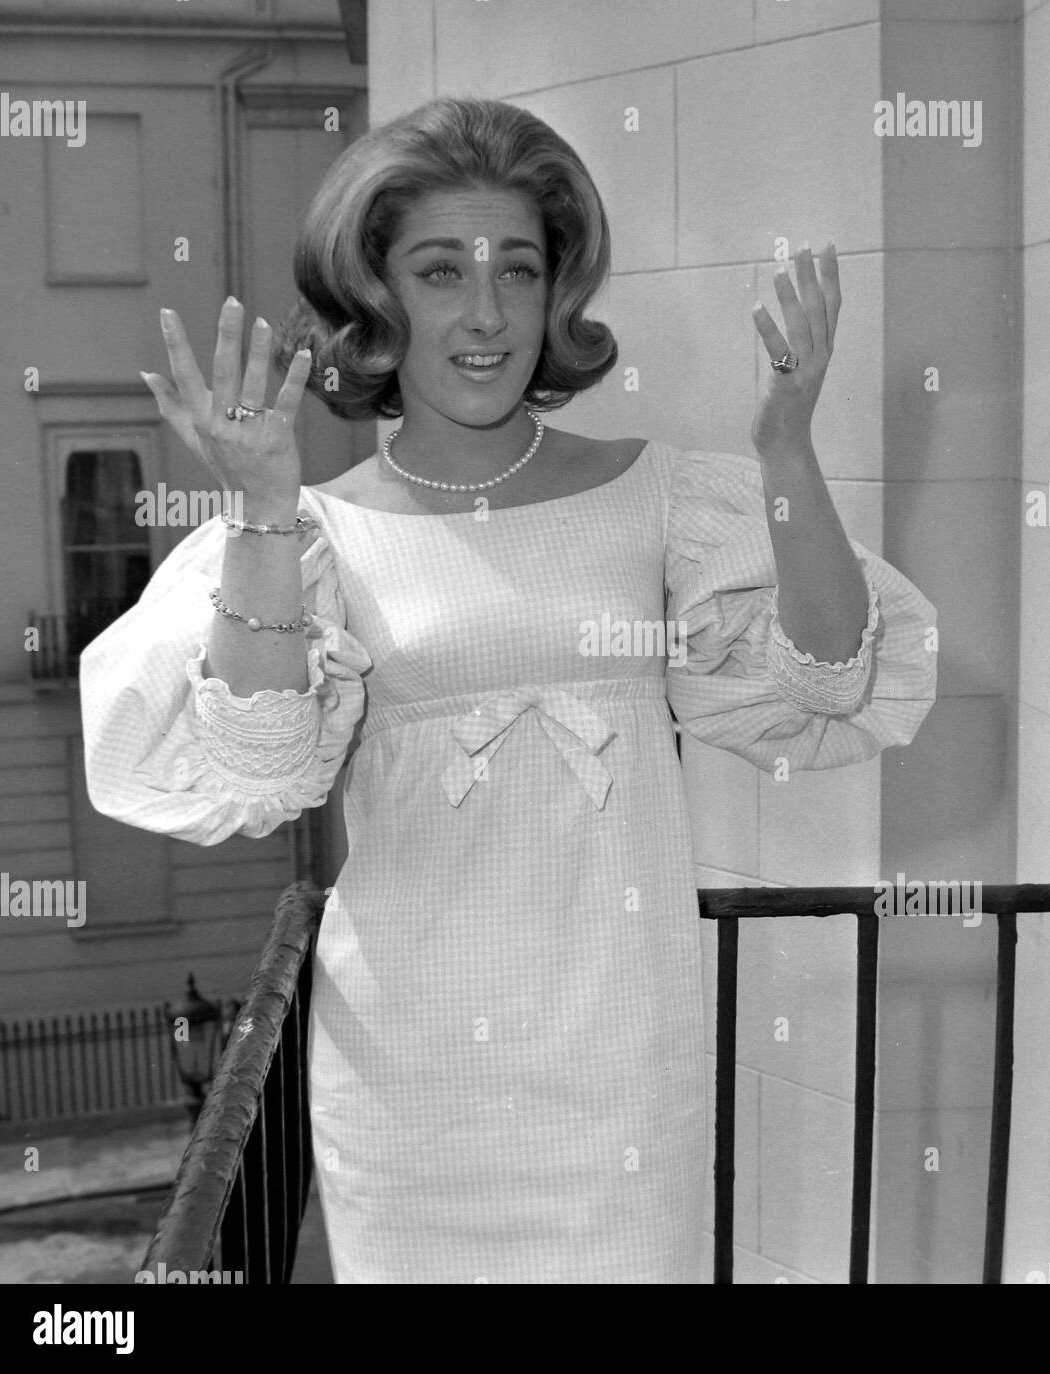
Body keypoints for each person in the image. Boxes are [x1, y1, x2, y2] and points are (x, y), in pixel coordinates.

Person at [80, 96, 937, 1283]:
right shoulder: (318, 532)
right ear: (378, 300)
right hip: (410, 1087)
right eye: (440, 272)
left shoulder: (657, 496)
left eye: (518, 272)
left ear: (556, 295)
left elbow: (831, 679)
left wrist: (786, 443)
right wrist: (264, 506)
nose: (485, 315)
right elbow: (260, 770)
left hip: (622, 1072)